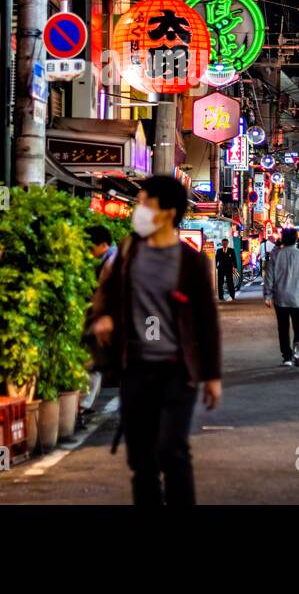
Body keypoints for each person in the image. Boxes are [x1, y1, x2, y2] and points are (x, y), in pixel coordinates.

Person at [88, 176, 223, 505]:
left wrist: (212, 375)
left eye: (145, 202)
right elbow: (105, 297)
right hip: (136, 368)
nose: (139, 209)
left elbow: (206, 320)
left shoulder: (191, 263)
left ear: (167, 212)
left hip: (178, 371)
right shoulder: (130, 251)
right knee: (141, 457)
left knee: (172, 450)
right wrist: (102, 318)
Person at [80, 225, 118, 427]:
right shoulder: (110, 259)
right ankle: (84, 405)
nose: (89, 251)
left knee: (93, 363)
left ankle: (83, 406)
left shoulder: (112, 262)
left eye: (91, 246)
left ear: (103, 244)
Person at [264, 228, 299, 366]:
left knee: (283, 327)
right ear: (296, 239)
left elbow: (269, 276)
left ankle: (287, 356)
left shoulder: (276, 255)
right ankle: (298, 346)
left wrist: (267, 295)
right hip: (298, 297)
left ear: (283, 239)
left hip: (280, 298)